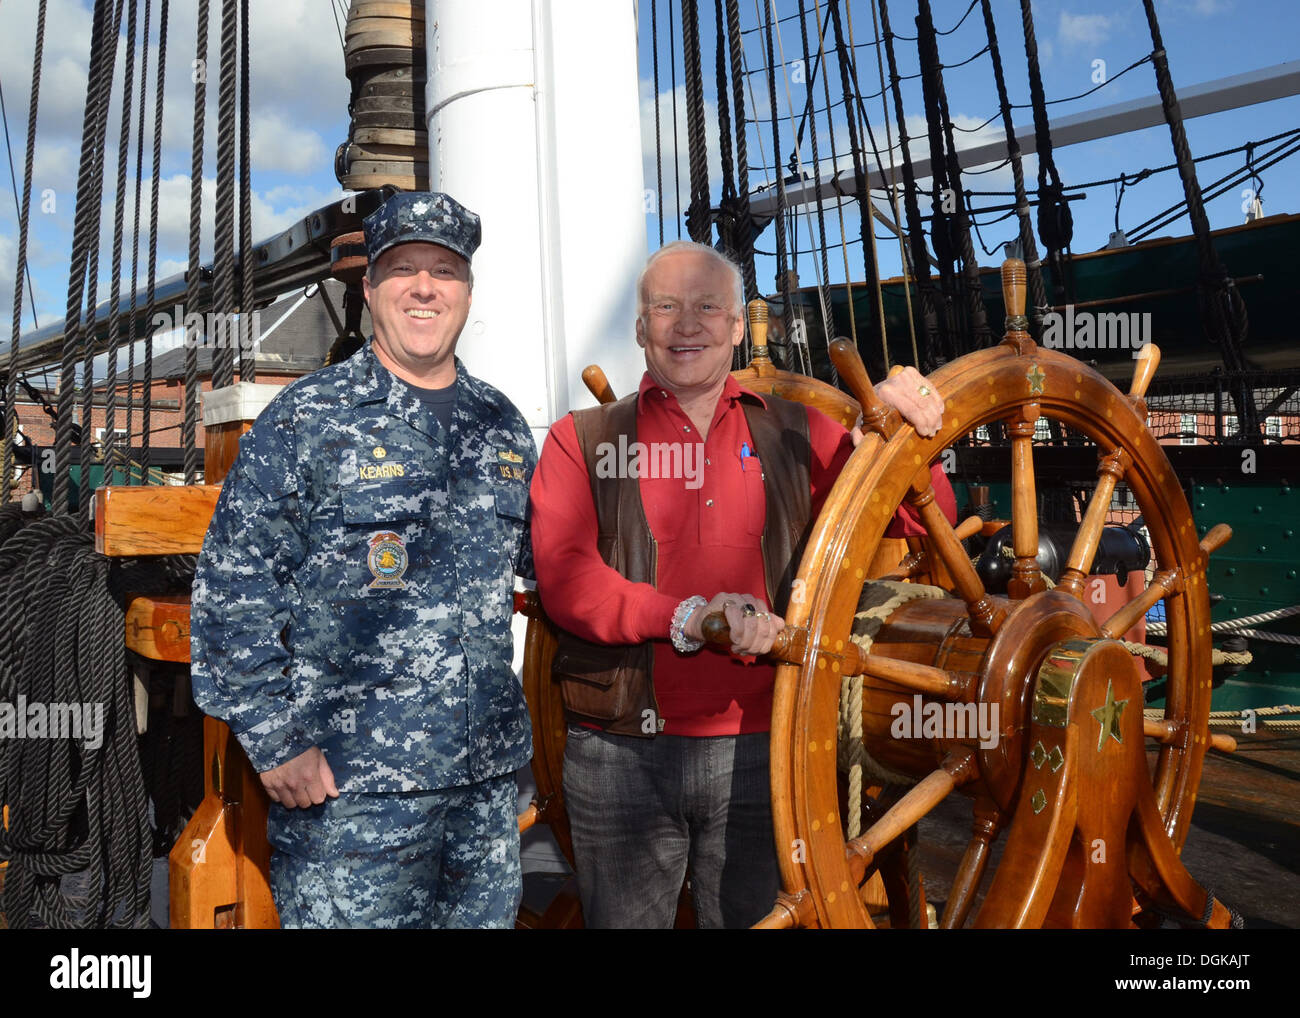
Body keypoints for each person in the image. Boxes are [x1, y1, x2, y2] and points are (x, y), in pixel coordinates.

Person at [528, 240, 953, 928]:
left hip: (770, 749)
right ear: (640, 329)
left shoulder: (799, 435)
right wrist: (690, 618)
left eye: (707, 307)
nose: (685, 324)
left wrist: (905, 430)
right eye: (665, 307)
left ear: (735, 327)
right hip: (619, 756)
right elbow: (568, 583)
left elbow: (910, 515)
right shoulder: (580, 440)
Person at [190, 191, 536, 928]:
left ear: (467, 293)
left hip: (482, 798)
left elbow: (554, 570)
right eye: (403, 268)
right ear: (371, 287)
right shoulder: (309, 419)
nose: (424, 287)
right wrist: (276, 743)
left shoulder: (501, 427)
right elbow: (233, 590)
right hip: (350, 804)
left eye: (444, 271)